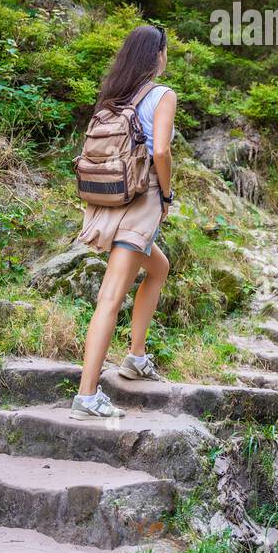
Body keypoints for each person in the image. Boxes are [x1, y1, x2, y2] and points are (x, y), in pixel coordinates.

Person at [70, 25, 176, 419]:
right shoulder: (162, 95)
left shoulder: (114, 97)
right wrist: (165, 194)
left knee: (159, 268)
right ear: (158, 54)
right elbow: (160, 150)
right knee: (111, 297)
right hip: (139, 198)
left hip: (109, 198)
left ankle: (135, 355)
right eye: (166, 51)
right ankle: (86, 395)